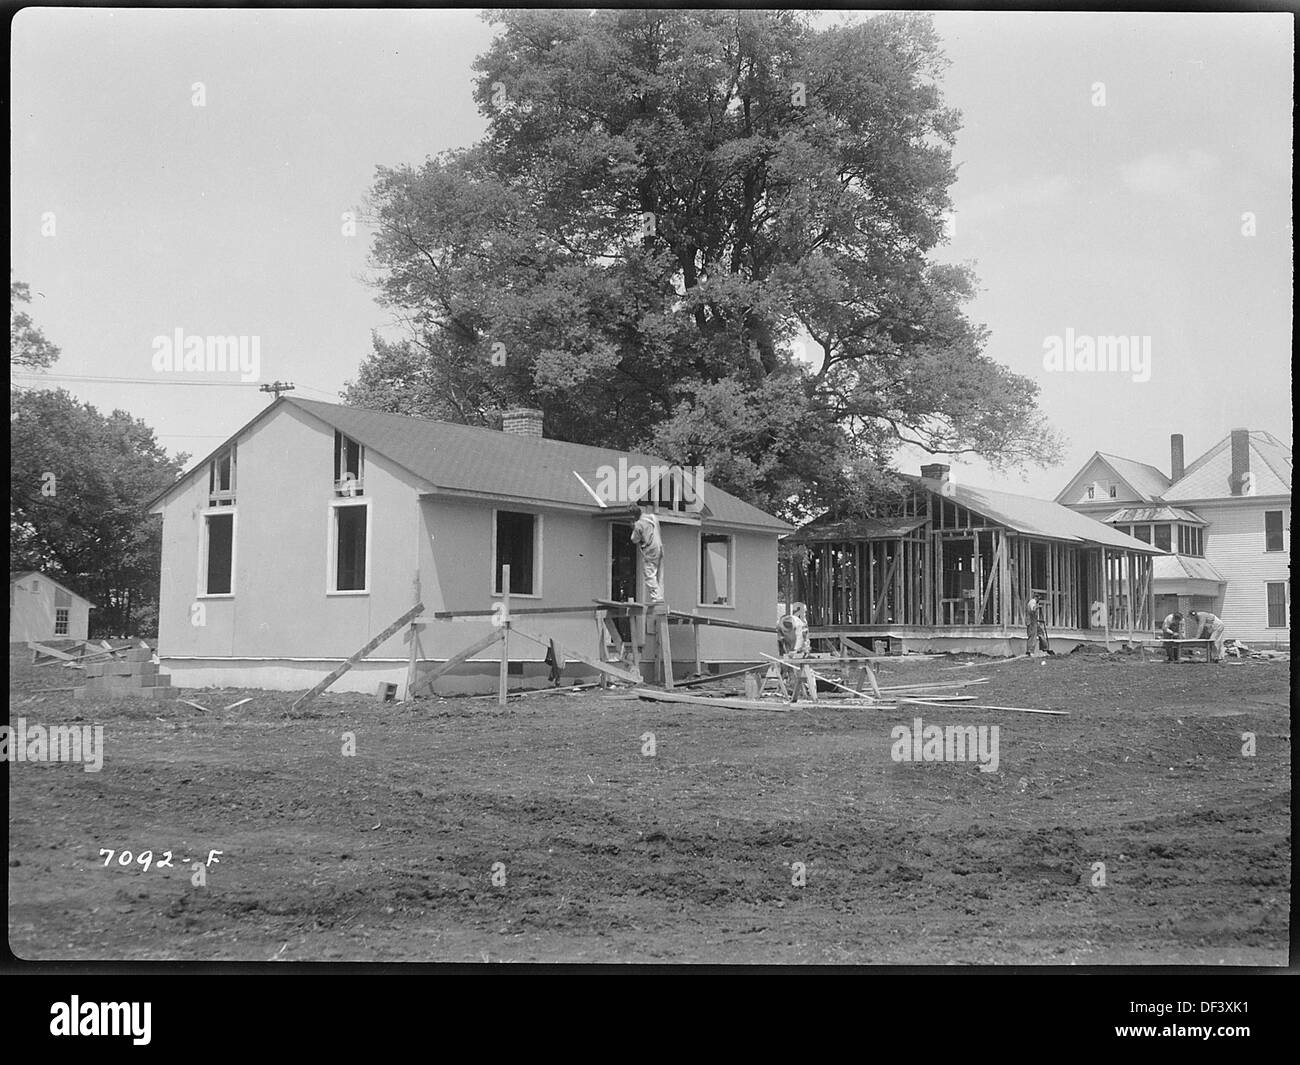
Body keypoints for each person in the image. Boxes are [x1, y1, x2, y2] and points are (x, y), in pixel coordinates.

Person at [629, 506, 664, 603]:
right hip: (659, 546)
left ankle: (657, 598)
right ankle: (660, 596)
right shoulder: (651, 518)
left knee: (649, 573)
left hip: (650, 549)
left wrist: (633, 527)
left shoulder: (639, 524)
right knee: (658, 573)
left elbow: (634, 539)